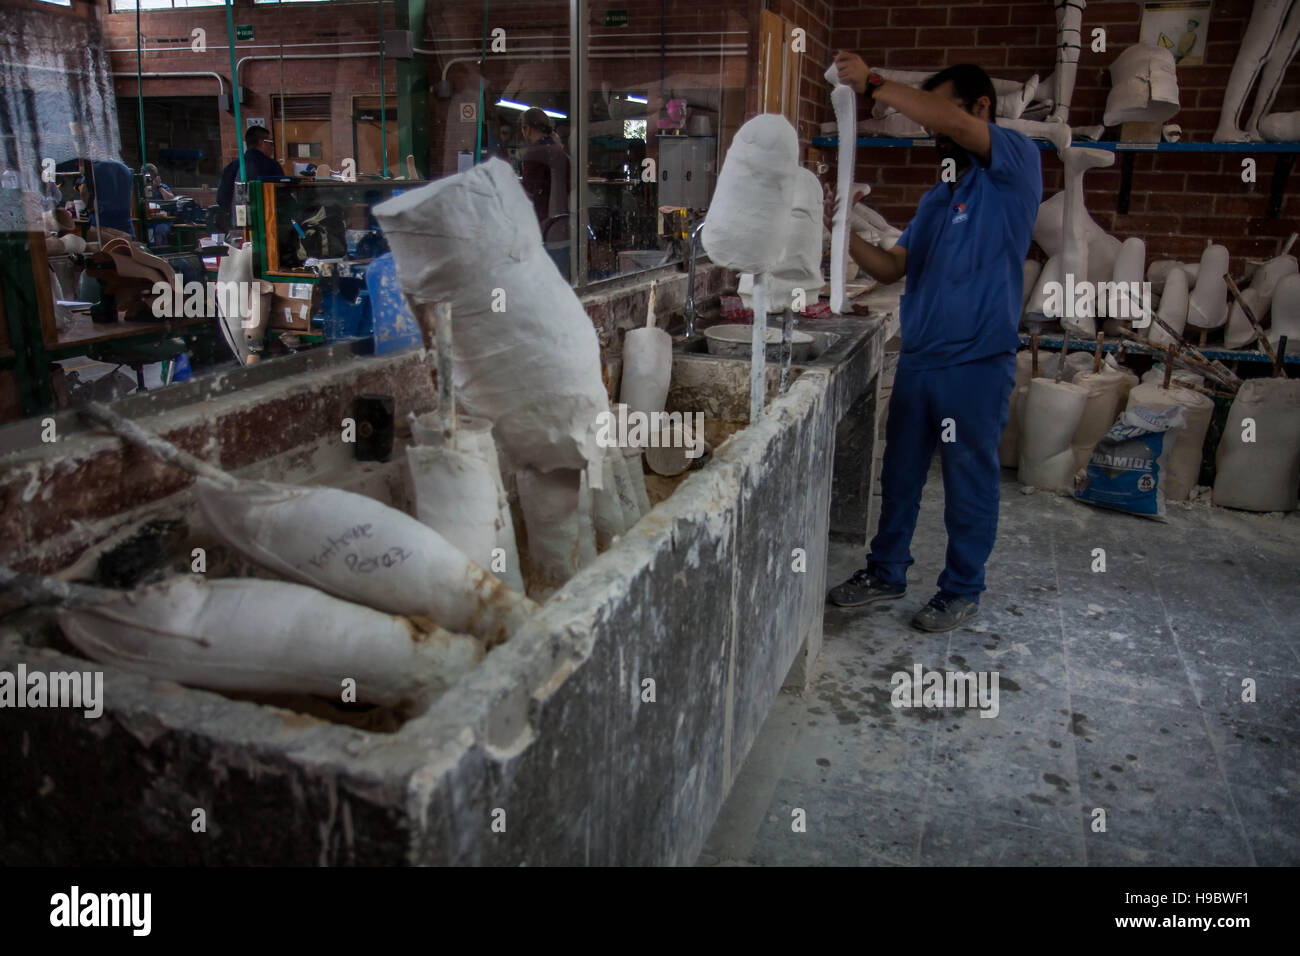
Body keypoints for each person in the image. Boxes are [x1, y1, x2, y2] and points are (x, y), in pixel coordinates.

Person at [825, 56, 1042, 632]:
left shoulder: (1016, 164)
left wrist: (875, 84)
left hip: (975, 362)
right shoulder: (938, 199)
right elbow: (893, 266)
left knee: (969, 481)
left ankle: (962, 588)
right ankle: (886, 571)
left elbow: (953, 123)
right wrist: (842, 233)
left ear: (980, 110)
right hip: (920, 359)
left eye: (944, 119)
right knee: (899, 476)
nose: (935, 134)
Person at [216, 125, 286, 220]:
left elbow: (221, 198)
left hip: (240, 222)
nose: (272, 147)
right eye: (271, 143)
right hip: (269, 223)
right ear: (261, 143)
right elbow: (283, 195)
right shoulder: (272, 166)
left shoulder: (232, 166)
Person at [78, 158, 135, 237]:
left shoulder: (93, 169)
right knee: (127, 246)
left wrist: (89, 207)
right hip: (125, 223)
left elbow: (83, 192)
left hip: (102, 222)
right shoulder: (126, 169)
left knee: (105, 248)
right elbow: (131, 195)